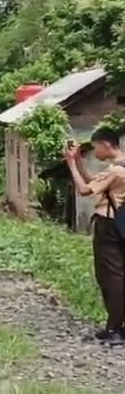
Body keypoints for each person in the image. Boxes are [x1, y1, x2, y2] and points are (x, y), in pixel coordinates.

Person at [65, 127, 125, 345]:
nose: (96, 151)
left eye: (96, 146)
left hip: (108, 226)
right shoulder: (120, 169)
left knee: (111, 277)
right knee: (119, 273)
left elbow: (84, 190)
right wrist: (80, 161)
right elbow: (96, 183)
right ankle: (117, 326)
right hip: (121, 224)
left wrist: (70, 164)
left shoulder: (115, 171)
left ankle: (115, 330)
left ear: (107, 145)